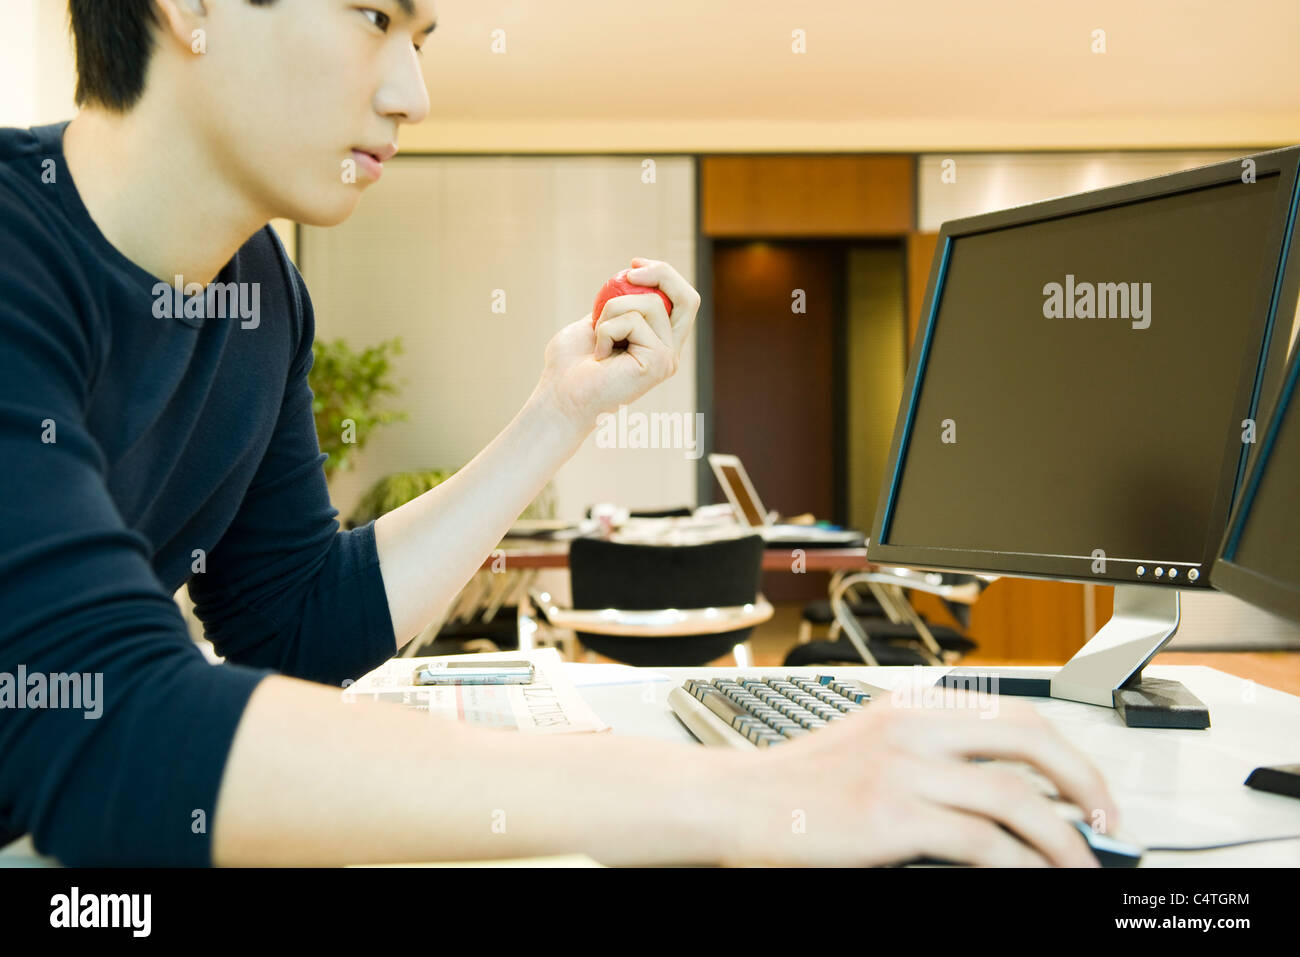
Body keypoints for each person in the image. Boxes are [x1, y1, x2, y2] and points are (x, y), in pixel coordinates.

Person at [0, 0, 1117, 867]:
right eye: (372, 17)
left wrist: (556, 416)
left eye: (422, 33)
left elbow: (295, 622)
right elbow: (101, 718)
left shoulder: (261, 295)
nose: (414, 90)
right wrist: (751, 795)